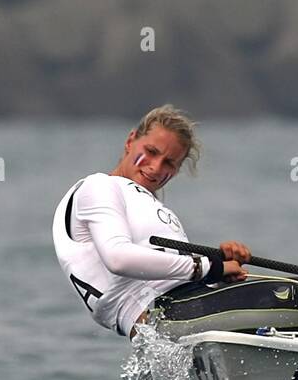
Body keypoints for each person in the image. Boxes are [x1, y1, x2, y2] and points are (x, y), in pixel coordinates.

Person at [53, 105, 249, 339]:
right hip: (158, 314)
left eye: (169, 163)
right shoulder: (98, 186)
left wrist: (221, 261)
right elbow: (118, 258)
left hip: (184, 309)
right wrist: (210, 268)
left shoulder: (149, 207)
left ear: (176, 171)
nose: (156, 167)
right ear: (130, 141)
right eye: (151, 151)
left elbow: (173, 269)